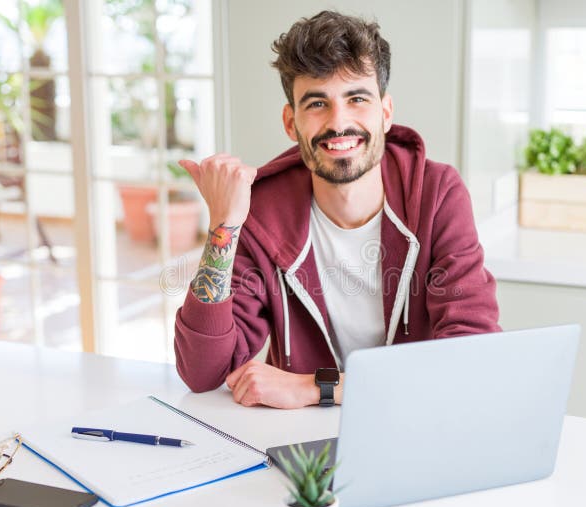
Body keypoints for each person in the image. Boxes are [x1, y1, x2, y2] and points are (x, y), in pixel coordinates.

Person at [174, 10, 500, 409]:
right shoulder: (261, 212)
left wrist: (317, 387)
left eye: (357, 98)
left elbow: (472, 357)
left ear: (385, 111)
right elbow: (203, 372)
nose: (338, 122)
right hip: (302, 440)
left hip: (418, 420)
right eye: (317, 104)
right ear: (291, 123)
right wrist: (223, 227)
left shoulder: (437, 195)